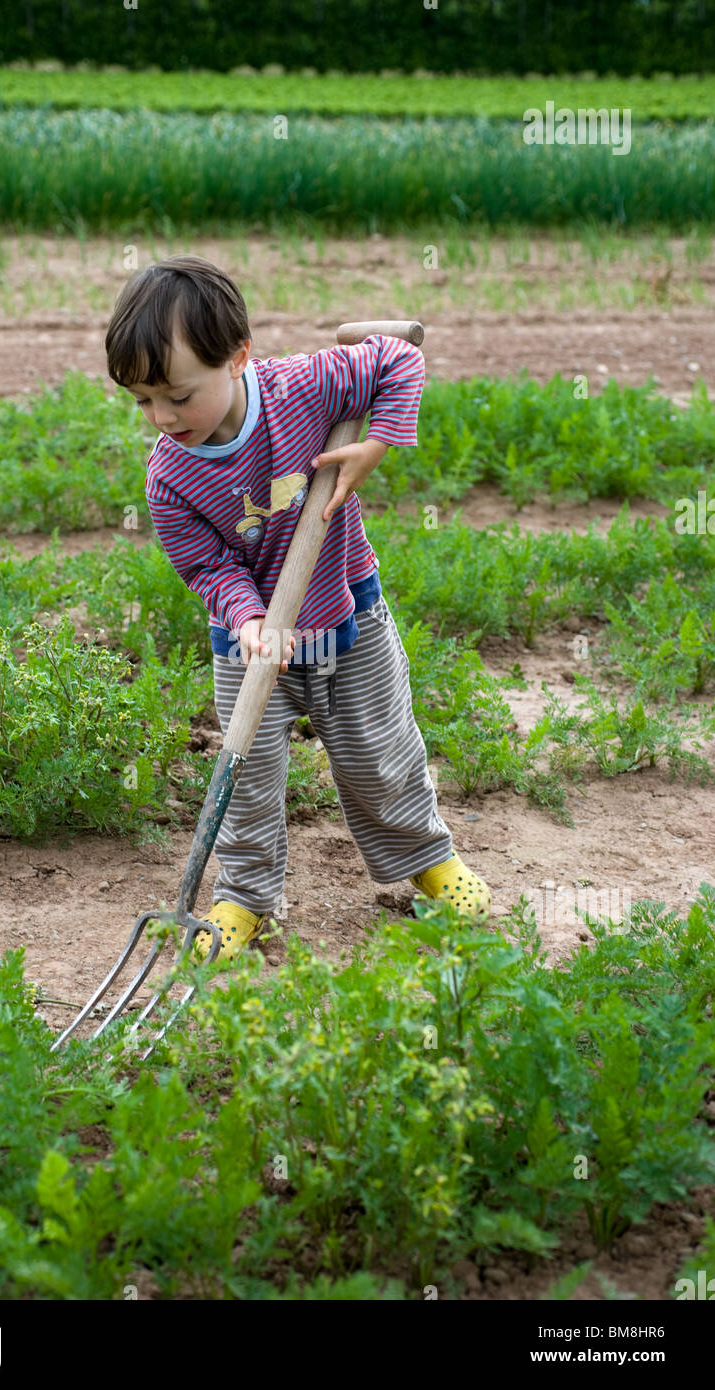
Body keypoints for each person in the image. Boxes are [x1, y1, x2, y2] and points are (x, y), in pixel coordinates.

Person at [105, 254, 491, 961]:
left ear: (238, 356)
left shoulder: (304, 387)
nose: (161, 417)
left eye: (177, 395)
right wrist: (247, 619)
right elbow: (205, 563)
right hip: (249, 640)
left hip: (347, 614)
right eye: (141, 402)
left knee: (380, 753)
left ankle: (426, 859)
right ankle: (245, 896)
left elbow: (398, 360)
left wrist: (376, 441)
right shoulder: (170, 475)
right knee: (244, 773)